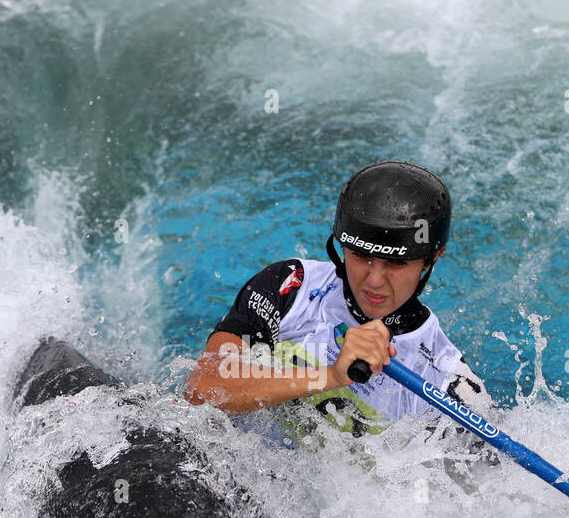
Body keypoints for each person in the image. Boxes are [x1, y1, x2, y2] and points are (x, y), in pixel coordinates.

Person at [184, 160, 494, 437]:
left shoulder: (446, 378)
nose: (373, 280)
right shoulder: (291, 286)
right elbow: (203, 390)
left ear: (431, 258)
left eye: (396, 263)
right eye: (360, 255)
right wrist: (331, 376)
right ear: (341, 245)